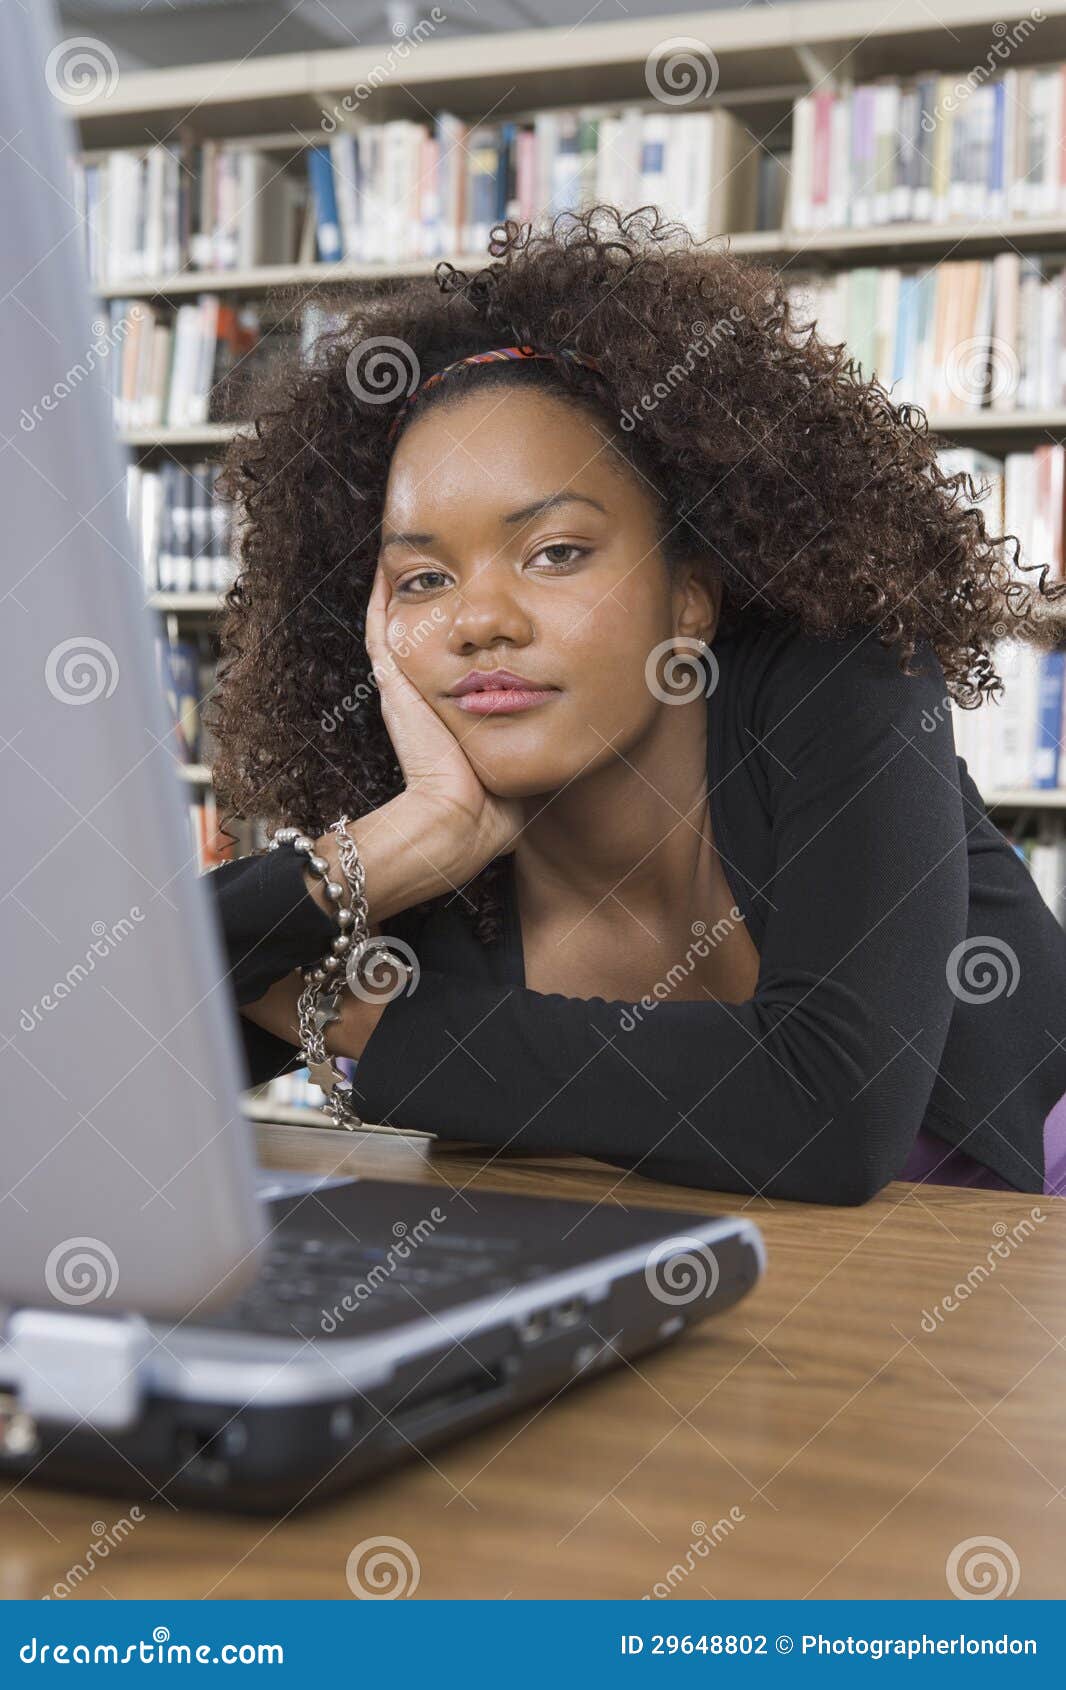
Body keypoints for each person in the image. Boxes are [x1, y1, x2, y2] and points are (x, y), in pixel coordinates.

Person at [203, 205, 1066, 1204]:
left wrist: (358, 1016)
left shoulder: (839, 676)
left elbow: (830, 1113)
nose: (479, 618)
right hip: (698, 1303)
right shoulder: (428, 803)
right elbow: (78, 1045)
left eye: (557, 552)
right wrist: (397, 845)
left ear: (688, 591)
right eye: (422, 579)